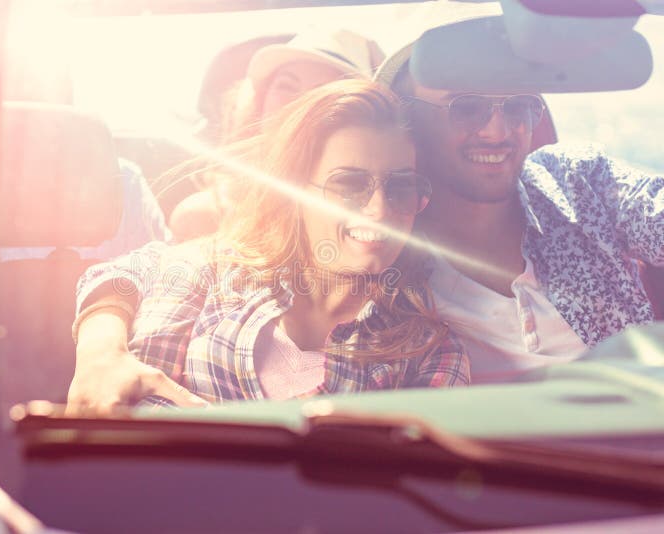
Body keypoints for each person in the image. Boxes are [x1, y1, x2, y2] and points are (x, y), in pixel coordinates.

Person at [67, 80, 470, 412]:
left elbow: (421, 473)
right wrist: (101, 354)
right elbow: (123, 273)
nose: (379, 210)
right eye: (349, 184)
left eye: (401, 187)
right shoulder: (215, 269)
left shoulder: (427, 351)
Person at [374, 47, 664, 384]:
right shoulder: (378, 249)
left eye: (517, 106)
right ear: (408, 123)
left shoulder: (577, 181)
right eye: (466, 108)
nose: (498, 133)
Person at [168, 28, 385, 242]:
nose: (298, 103)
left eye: (322, 94)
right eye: (286, 86)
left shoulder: (378, 220)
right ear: (259, 103)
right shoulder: (206, 217)